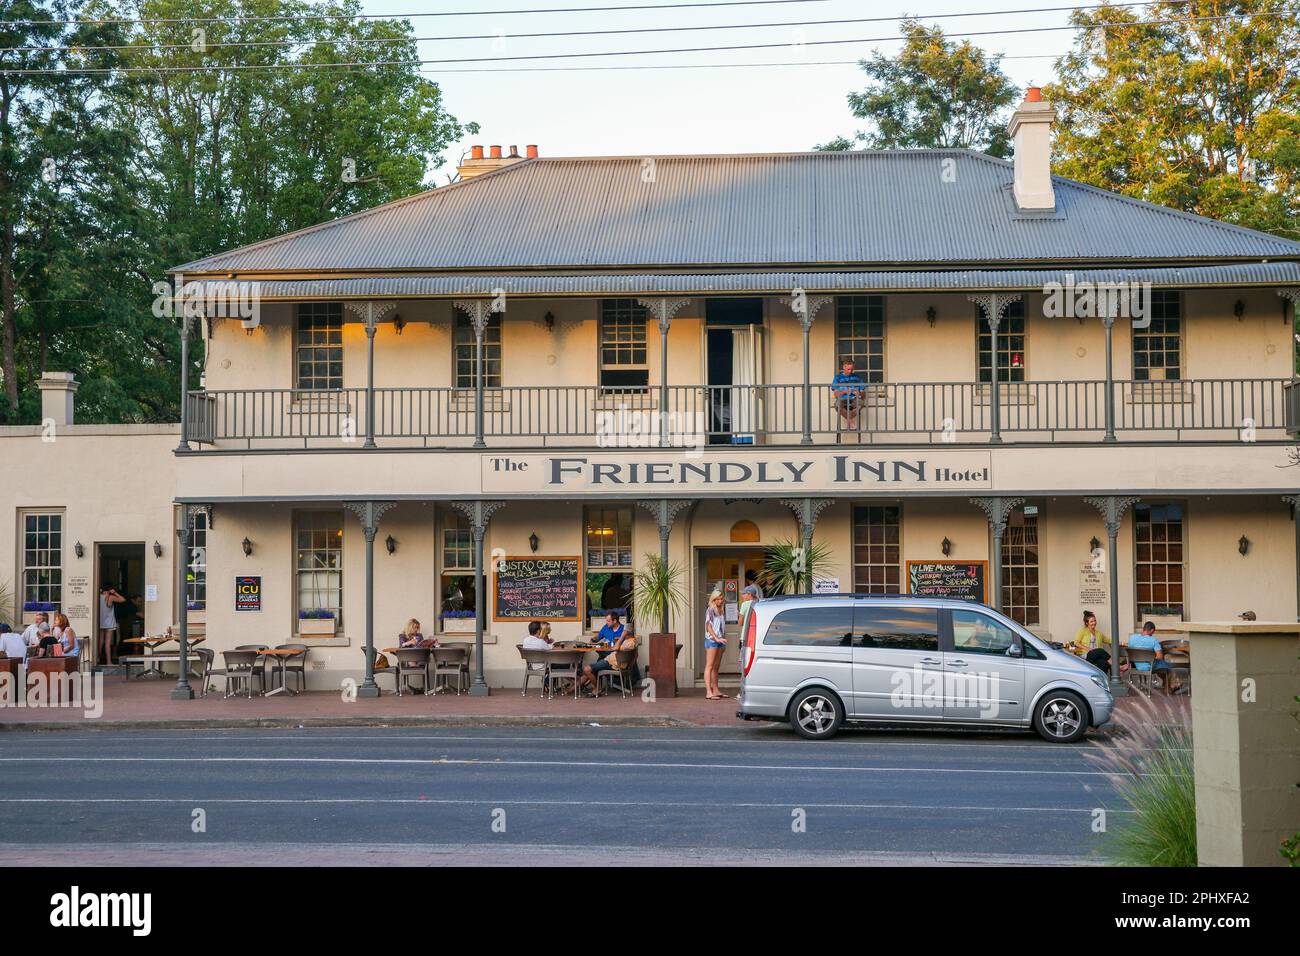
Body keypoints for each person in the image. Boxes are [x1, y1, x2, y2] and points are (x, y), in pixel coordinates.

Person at [580, 620, 636, 698]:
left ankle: (596, 689)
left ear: (627, 632)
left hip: (613, 664)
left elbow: (615, 648)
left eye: (624, 631)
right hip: (611, 661)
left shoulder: (630, 643)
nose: (623, 632)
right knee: (594, 667)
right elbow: (635, 656)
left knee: (587, 669)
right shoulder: (629, 641)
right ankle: (576, 688)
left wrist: (622, 637)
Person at [1126, 621, 1179, 694]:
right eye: (1153, 632)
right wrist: (1153, 655)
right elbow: (1160, 656)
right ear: (1152, 630)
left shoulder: (1132, 638)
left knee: (1161, 665)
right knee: (1167, 667)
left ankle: (1167, 685)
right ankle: (1168, 688)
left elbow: (1130, 651)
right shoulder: (1153, 640)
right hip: (1149, 666)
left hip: (1137, 665)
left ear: (1143, 628)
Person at [703, 589, 728, 700]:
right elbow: (708, 627)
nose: (720, 600)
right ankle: (709, 692)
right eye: (718, 599)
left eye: (722, 598)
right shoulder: (710, 610)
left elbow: (721, 626)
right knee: (710, 666)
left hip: (720, 641)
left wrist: (722, 639)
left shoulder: (721, 610)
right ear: (713, 599)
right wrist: (716, 638)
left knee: (716, 667)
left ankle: (716, 690)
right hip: (712, 641)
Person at [831, 359, 865, 430]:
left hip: (854, 398)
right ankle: (850, 419)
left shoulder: (858, 378)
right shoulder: (837, 378)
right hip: (842, 398)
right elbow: (836, 394)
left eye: (852, 369)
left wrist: (859, 393)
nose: (850, 371)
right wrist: (845, 391)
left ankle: (848, 418)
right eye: (848, 369)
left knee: (861, 403)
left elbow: (862, 393)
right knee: (837, 405)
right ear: (844, 367)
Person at [98, 586, 124, 666]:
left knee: (100, 641)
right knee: (107, 643)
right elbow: (123, 599)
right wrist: (115, 593)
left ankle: (97, 659)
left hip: (100, 622)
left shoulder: (97, 597)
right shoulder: (110, 597)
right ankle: (108, 662)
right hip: (109, 623)